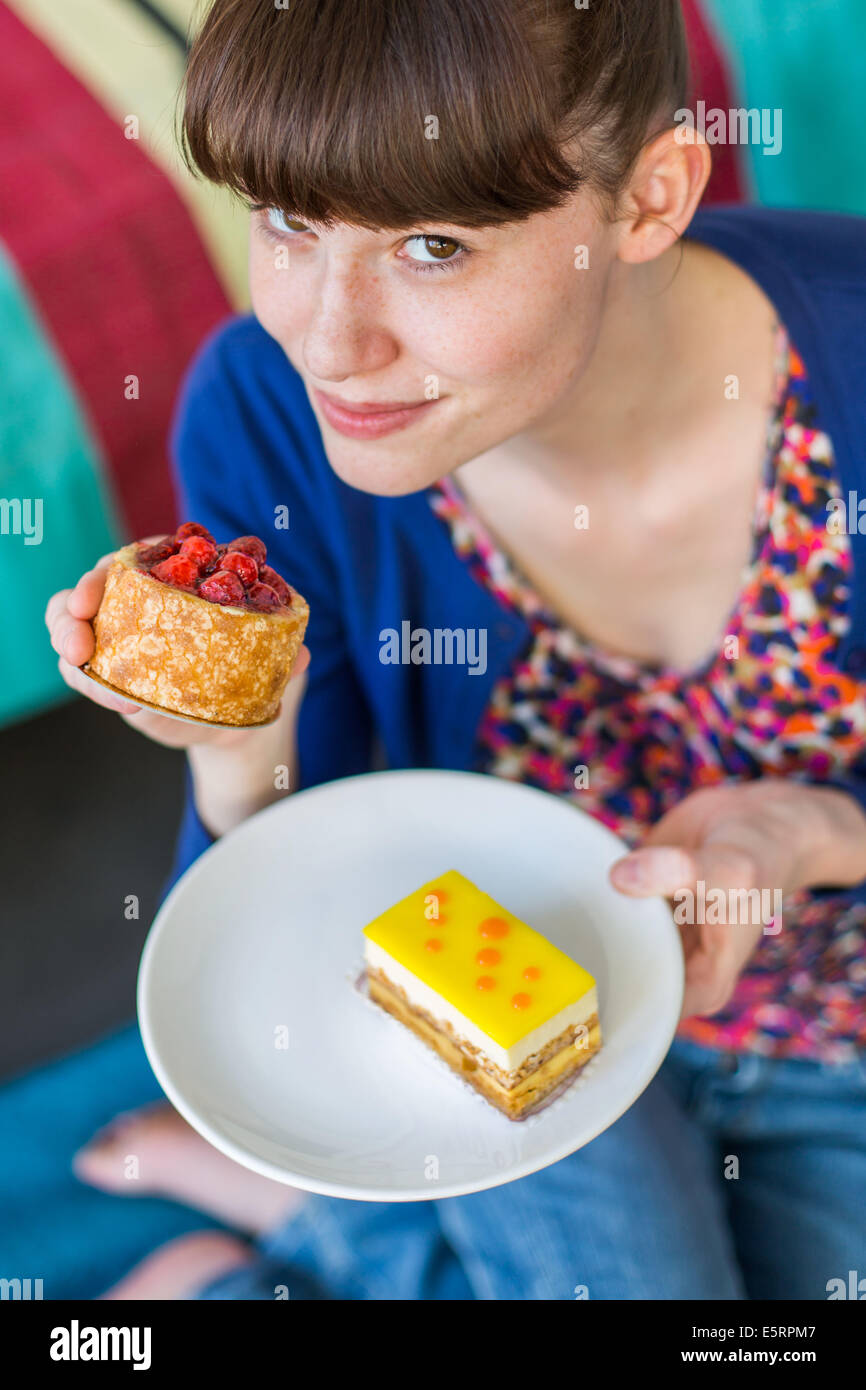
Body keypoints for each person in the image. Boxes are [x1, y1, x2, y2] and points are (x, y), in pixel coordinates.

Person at [45, 0, 866, 1300]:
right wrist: (239, 753)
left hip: (830, 1042)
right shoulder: (261, 407)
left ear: (647, 198)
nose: (326, 338)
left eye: (431, 245)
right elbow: (279, 929)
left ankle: (278, 1240)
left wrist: (814, 833)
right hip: (472, 997)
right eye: (287, 221)